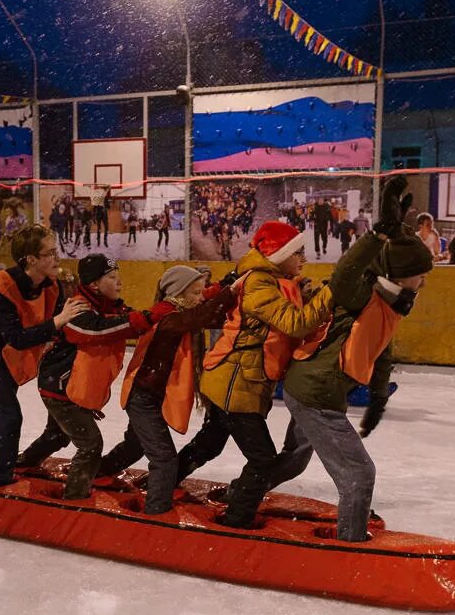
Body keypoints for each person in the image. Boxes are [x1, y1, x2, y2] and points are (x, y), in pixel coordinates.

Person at [267, 177, 434, 541]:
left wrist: (378, 398)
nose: (424, 282)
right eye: (421, 275)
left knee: (294, 460)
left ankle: (244, 492)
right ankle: (352, 545)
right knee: (359, 473)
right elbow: (344, 274)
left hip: (315, 391)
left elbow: (381, 349)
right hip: (315, 395)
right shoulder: (360, 293)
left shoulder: (391, 303)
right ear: (403, 275)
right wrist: (377, 234)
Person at [178, 221, 334, 529]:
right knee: (262, 459)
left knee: (209, 444)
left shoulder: (277, 281)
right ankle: (237, 519)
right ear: (278, 254)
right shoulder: (260, 283)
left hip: (236, 380)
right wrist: (331, 293)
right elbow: (294, 323)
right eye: (297, 252)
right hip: (234, 383)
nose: (304, 258)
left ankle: (164, 479)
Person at [96, 266, 241, 515]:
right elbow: (205, 315)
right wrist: (231, 291)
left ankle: (97, 471)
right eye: (195, 293)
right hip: (142, 396)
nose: (200, 297)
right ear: (179, 293)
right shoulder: (170, 317)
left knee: (136, 445)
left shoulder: (179, 310)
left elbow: (206, 306)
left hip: (152, 395)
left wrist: (227, 283)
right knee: (164, 459)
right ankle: (157, 512)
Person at [0, 225, 89, 486]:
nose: (57, 258)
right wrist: (57, 322)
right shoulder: (0, 288)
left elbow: (57, 319)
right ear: (31, 259)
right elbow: (16, 338)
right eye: (50, 253)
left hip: (13, 350)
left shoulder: (51, 285)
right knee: (7, 414)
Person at [18, 254, 156, 499]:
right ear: (94, 284)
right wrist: (138, 321)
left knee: (57, 435)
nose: (119, 282)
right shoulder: (78, 308)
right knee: (91, 445)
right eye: (112, 278)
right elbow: (95, 330)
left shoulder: (112, 307)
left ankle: (23, 463)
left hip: (72, 386)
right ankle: (75, 497)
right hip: (60, 388)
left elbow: (125, 319)